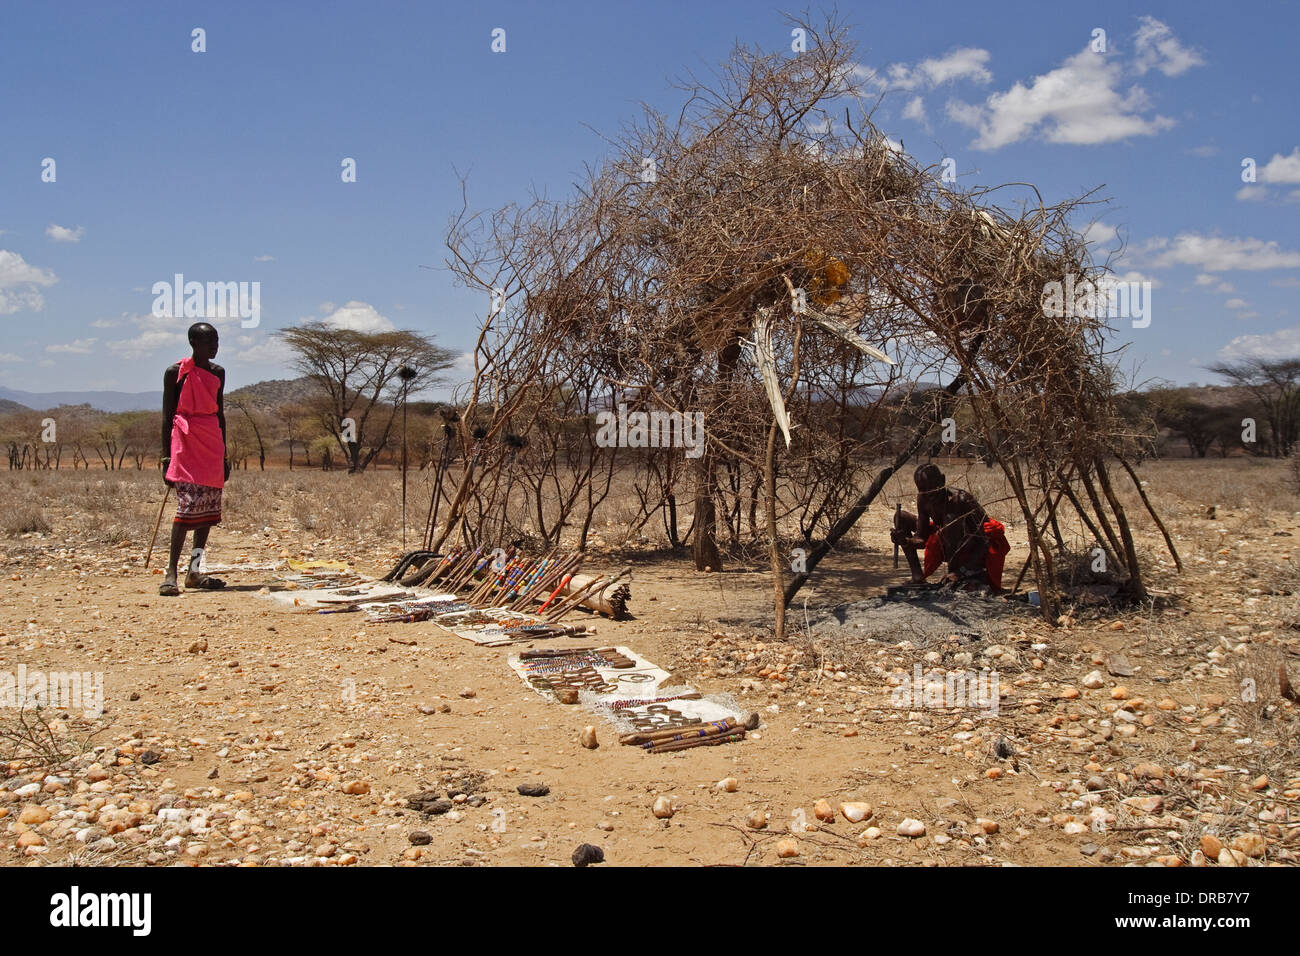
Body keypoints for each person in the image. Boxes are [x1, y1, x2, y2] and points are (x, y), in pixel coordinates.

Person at [159, 322, 230, 596]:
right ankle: (170, 573)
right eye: (208, 341)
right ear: (193, 343)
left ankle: (194, 571)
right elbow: (167, 416)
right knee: (185, 510)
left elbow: (220, 414)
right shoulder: (174, 373)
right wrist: (165, 457)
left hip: (211, 443)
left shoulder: (218, 373)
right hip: (185, 443)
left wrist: (224, 455)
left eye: (216, 341)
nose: (214, 346)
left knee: (207, 516)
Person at [889, 463, 1010, 591]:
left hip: (975, 540)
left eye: (932, 489)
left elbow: (983, 542)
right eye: (923, 490)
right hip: (944, 537)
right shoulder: (923, 498)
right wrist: (906, 541)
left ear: (943, 480)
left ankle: (954, 572)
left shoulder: (961, 500)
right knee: (900, 517)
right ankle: (917, 577)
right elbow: (922, 538)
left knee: (950, 520)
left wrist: (960, 572)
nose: (929, 494)